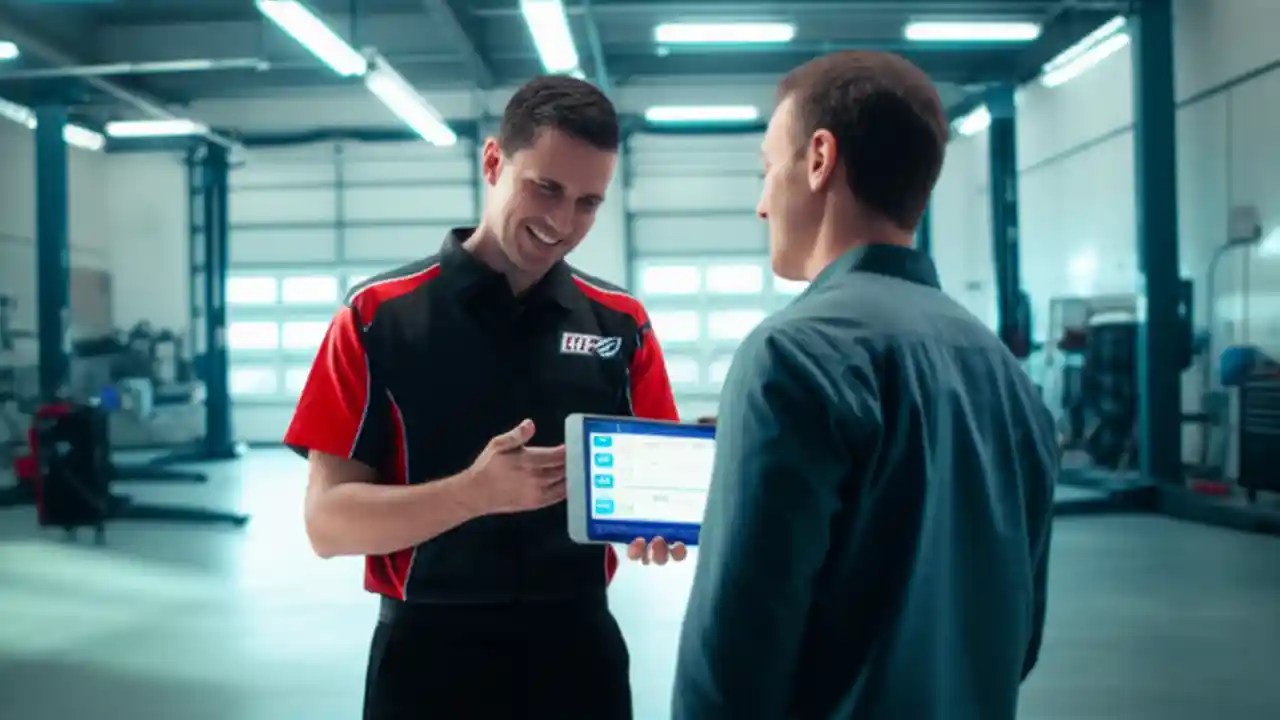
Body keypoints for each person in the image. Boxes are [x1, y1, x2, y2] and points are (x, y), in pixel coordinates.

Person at [672, 51, 1059, 720]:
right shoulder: (1004, 371)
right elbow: (1018, 637)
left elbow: (737, 647)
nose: (763, 206)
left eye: (768, 171)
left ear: (819, 159)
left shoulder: (791, 353)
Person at [285, 75, 686, 720]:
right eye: (545, 188)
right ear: (494, 161)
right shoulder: (375, 317)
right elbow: (326, 524)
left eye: (588, 202)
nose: (562, 222)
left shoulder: (621, 324)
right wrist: (473, 493)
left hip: (578, 652)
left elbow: (657, 485)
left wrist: (657, 522)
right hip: (430, 659)